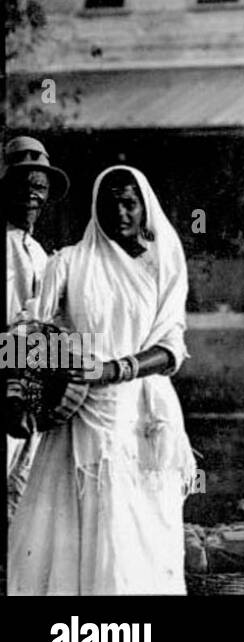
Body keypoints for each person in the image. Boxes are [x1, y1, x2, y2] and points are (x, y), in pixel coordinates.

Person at [8, 166, 197, 595]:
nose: (120, 212)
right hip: (83, 409)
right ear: (96, 208)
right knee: (91, 516)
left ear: (144, 206)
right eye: (110, 202)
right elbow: (27, 330)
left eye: (129, 202)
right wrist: (28, 388)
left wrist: (113, 369)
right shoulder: (71, 261)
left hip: (144, 410)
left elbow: (172, 348)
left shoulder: (164, 261)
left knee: (147, 519)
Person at [3, 137, 69, 515]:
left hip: (28, 384)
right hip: (9, 380)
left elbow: (42, 328)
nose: (33, 196)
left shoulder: (39, 252)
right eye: (23, 185)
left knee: (22, 491)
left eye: (40, 188)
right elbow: (14, 329)